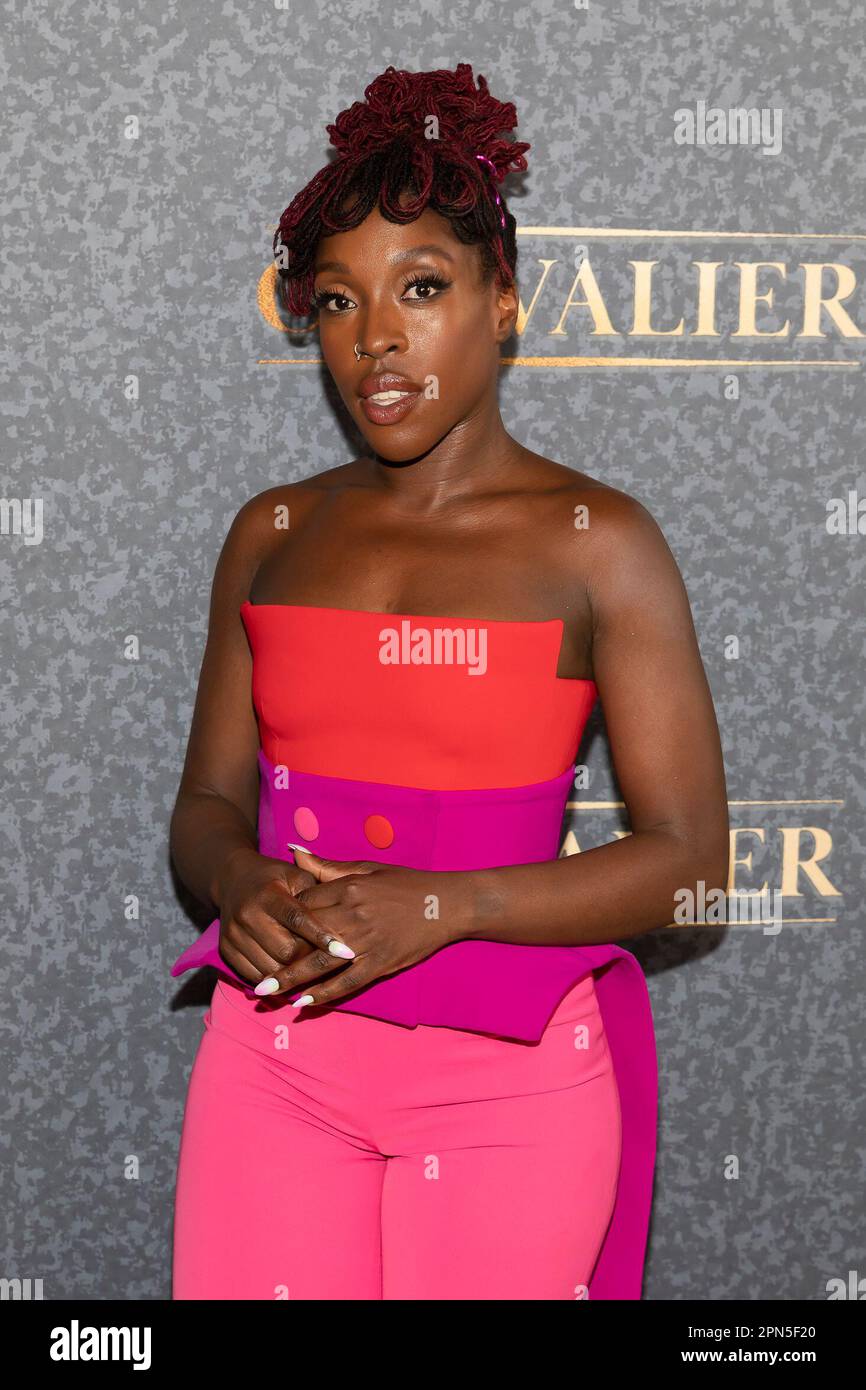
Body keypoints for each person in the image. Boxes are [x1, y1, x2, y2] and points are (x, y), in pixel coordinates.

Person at [168, 62, 729, 1301]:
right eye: (336, 301)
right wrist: (240, 878)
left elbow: (692, 862)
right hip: (273, 1062)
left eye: (420, 288)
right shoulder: (269, 532)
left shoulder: (597, 542)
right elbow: (203, 810)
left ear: (503, 301)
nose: (375, 337)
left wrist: (438, 907)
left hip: (511, 1088)